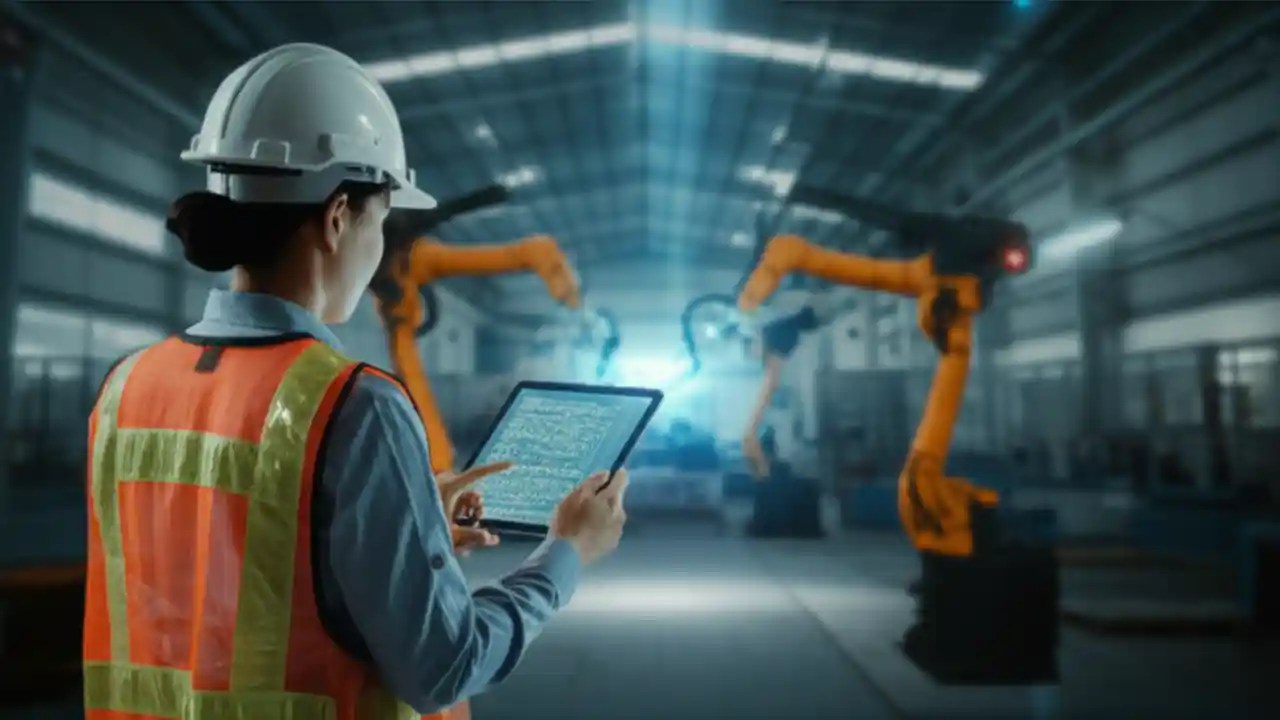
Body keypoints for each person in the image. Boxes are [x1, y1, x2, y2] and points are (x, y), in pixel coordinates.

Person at [82, 43, 628, 720]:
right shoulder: (352, 404)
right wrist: (565, 554)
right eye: (382, 219)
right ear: (339, 216)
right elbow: (444, 668)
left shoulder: (126, 388)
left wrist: (397, 520)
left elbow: (222, 582)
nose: (381, 248)